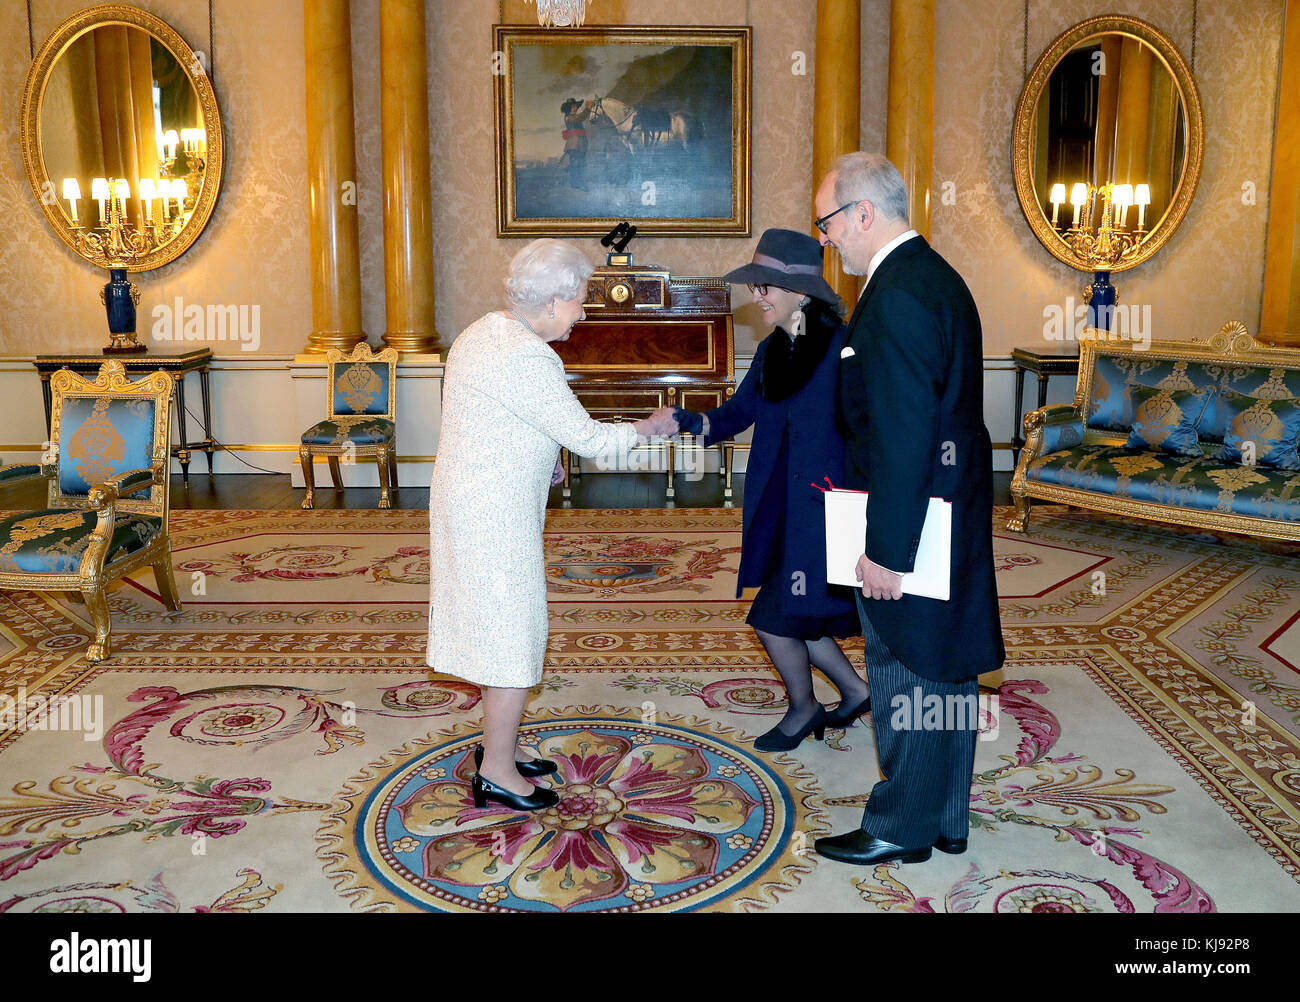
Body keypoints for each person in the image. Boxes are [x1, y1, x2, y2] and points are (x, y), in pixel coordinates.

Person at [427, 238, 677, 812]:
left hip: (466, 502)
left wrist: (547, 450)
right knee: (512, 632)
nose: (583, 312)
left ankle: (500, 749)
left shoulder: (483, 331)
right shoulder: (528, 355)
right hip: (494, 512)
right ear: (554, 299)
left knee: (491, 625)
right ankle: (495, 771)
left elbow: (491, 414)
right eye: (579, 301)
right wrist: (650, 426)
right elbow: (590, 437)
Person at [811, 153, 1005, 866]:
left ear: (863, 213)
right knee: (945, 662)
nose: (826, 239)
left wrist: (887, 551)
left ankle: (899, 825)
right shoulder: (934, 276)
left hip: (915, 518)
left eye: (828, 222)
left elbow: (903, 435)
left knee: (908, 668)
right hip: (948, 507)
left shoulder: (893, 295)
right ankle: (942, 817)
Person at [672, 229, 869, 752]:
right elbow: (737, 415)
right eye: (756, 286)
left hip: (826, 508)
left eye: (766, 287)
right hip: (779, 504)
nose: (757, 296)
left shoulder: (845, 349)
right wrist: (686, 421)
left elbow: (869, 430)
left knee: (775, 617)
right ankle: (853, 690)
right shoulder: (770, 352)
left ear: (801, 293)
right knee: (797, 609)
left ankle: (805, 709)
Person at [560, 98, 594, 190]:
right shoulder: (570, 117)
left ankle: (576, 183)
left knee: (579, 164)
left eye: (576, 107)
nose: (575, 108)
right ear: (568, 109)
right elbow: (581, 117)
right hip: (574, 145)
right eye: (573, 107)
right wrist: (588, 108)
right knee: (577, 164)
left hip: (579, 145)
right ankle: (579, 184)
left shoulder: (573, 117)